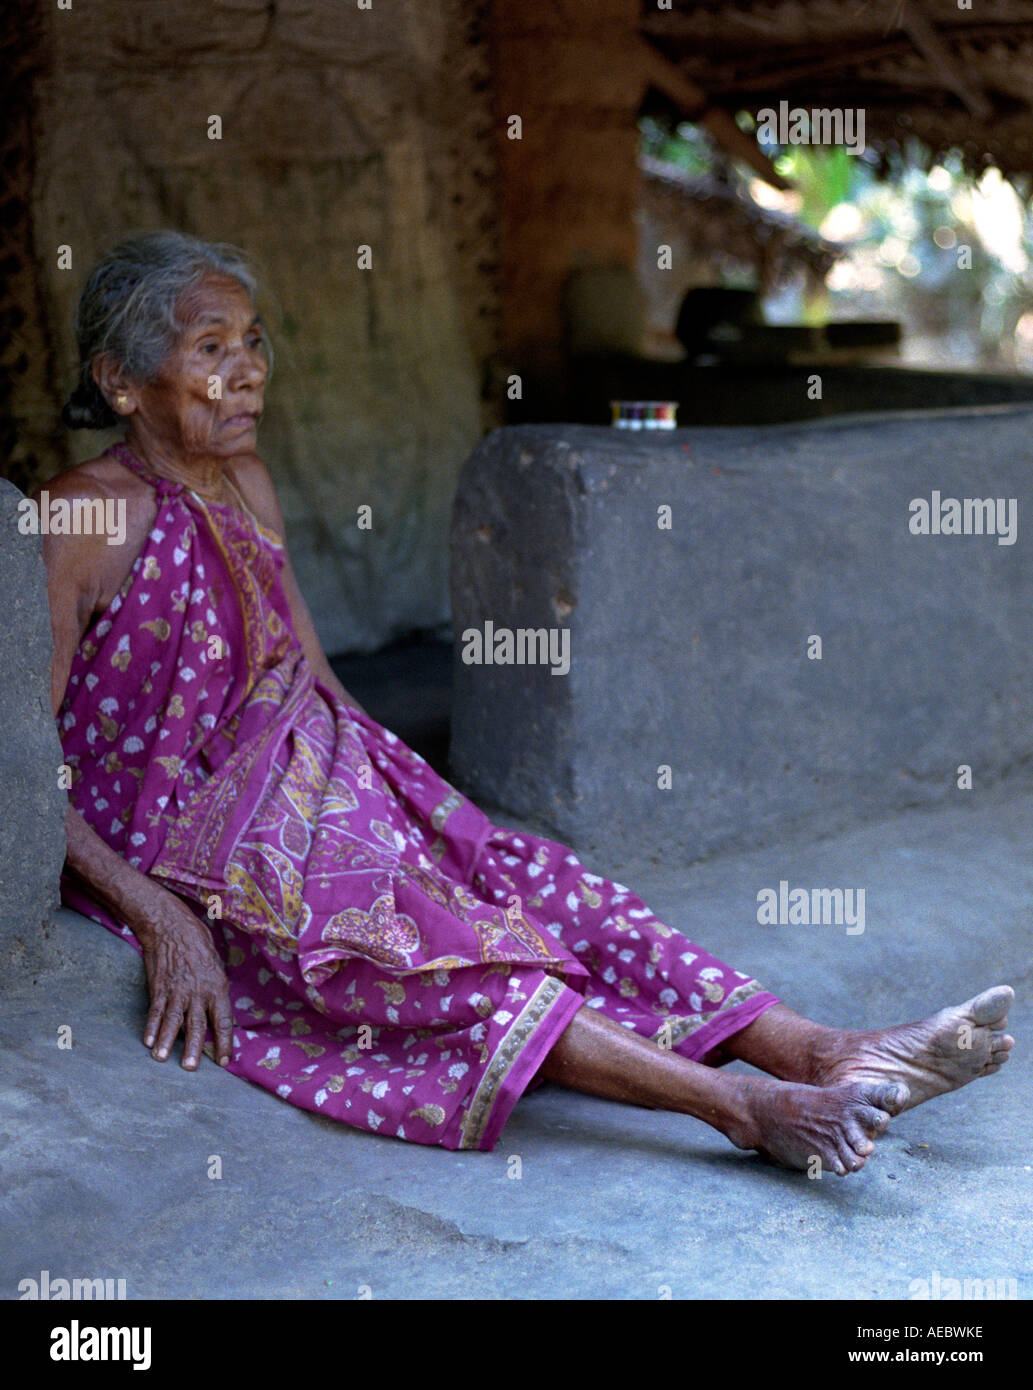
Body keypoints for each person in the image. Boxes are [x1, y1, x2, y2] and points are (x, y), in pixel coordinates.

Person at [37, 231, 1015, 1173]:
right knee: (438, 951)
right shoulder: (79, 517)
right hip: (187, 836)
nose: (249, 369)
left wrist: (405, 806)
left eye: (253, 341)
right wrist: (160, 914)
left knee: (537, 880)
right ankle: (745, 1109)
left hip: (311, 778)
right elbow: (29, 770)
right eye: (211, 349)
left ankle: (821, 1048)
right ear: (122, 381)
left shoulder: (246, 480)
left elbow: (313, 678)